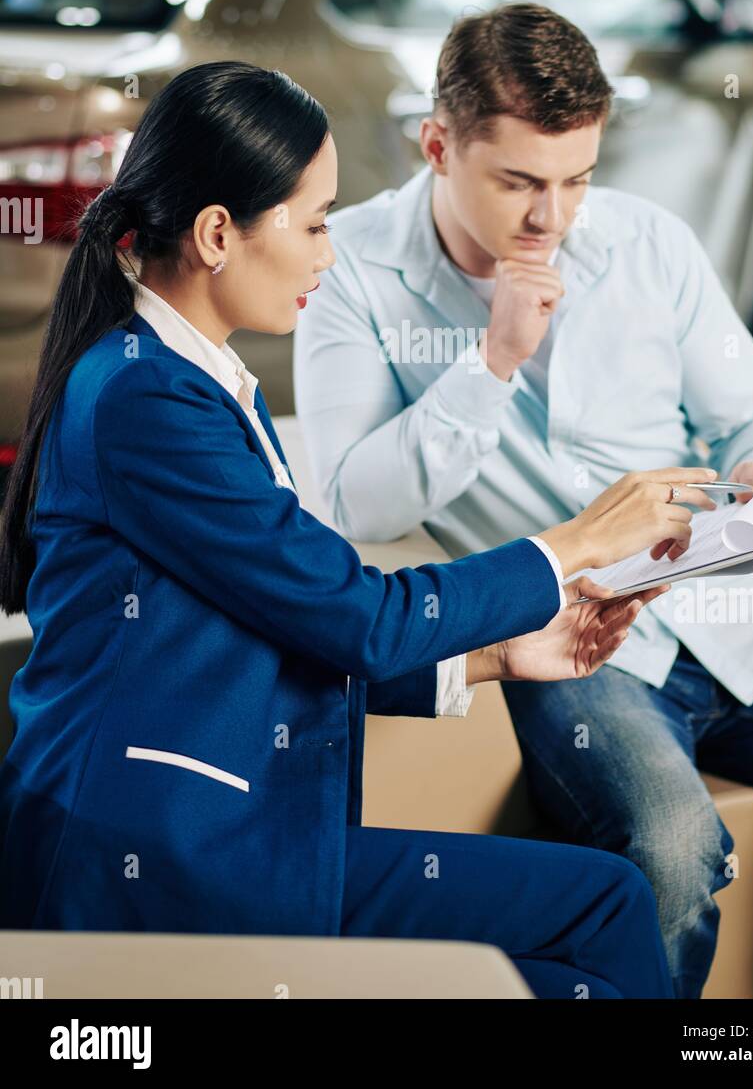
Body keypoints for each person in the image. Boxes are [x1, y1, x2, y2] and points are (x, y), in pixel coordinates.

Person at [0, 61, 716, 1000]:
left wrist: (501, 658)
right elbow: (358, 616)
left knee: (607, 906)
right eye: (316, 221)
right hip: (166, 861)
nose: (328, 255)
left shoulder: (194, 378)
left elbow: (285, 617)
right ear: (220, 233)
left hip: (253, 842)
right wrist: (577, 541)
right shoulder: (146, 398)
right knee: (590, 938)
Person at [293, 3, 753, 1000]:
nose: (549, 217)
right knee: (674, 849)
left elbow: (752, 416)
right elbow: (352, 501)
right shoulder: (346, 274)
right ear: (437, 145)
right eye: (517, 181)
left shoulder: (649, 245)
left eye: (573, 181)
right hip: (575, 645)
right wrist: (490, 362)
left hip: (733, 616)